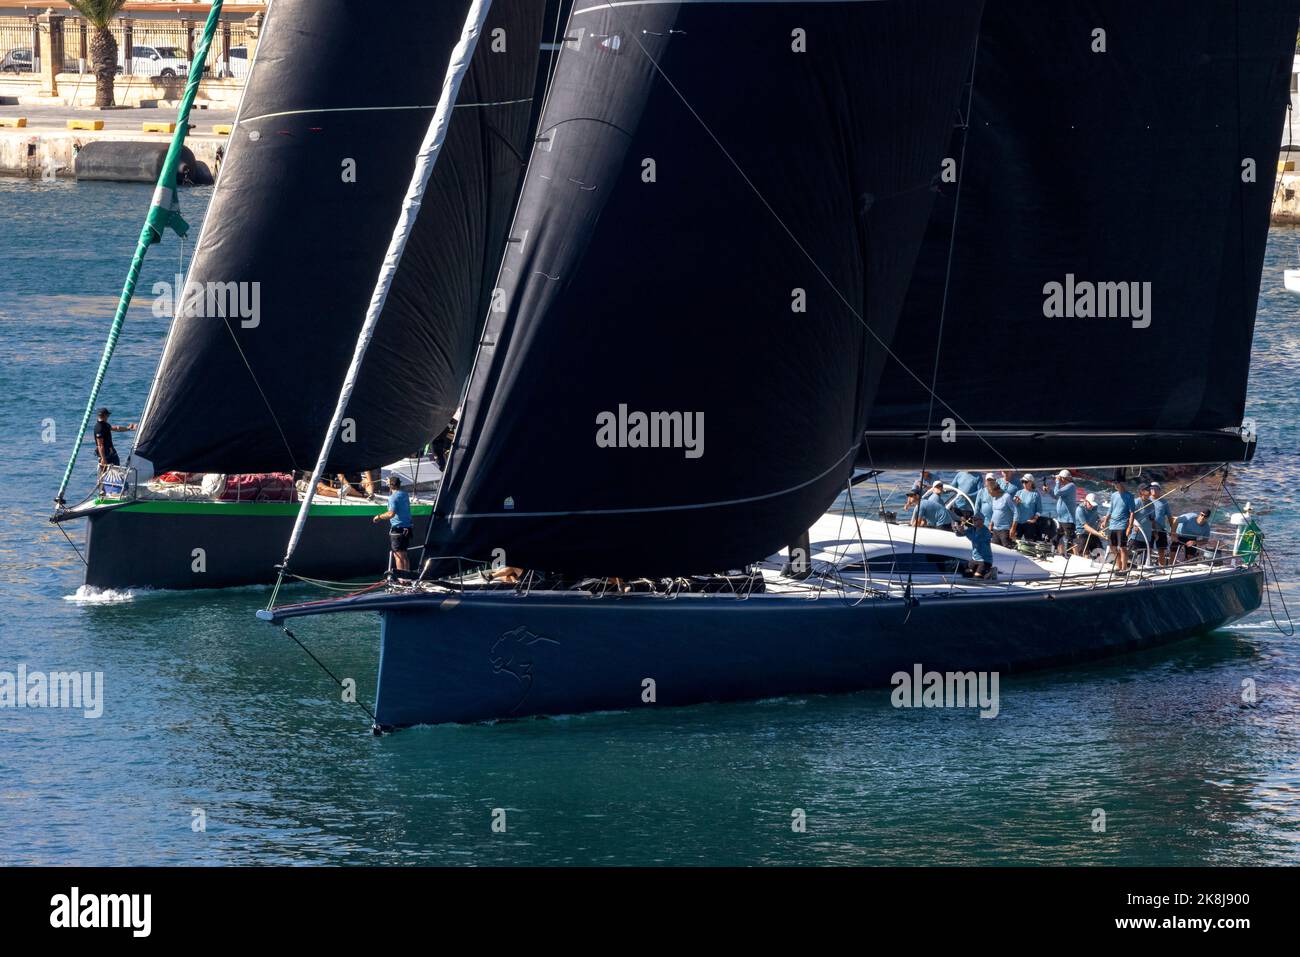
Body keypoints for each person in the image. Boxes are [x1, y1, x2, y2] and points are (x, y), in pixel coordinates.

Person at [372, 475, 414, 574]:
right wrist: (390, 483)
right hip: (407, 528)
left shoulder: (392, 498)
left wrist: (378, 517)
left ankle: (401, 579)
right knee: (404, 555)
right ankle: (407, 578)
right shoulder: (404, 494)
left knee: (398, 556)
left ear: (390, 486)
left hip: (398, 530)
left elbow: (391, 514)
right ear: (399, 484)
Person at [1103, 480, 1136, 571]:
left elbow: (1132, 512)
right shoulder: (1114, 495)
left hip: (1122, 525)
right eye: (1114, 484)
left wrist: (1130, 527)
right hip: (1112, 525)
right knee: (1112, 546)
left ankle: (1124, 568)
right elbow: (1110, 509)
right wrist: (1105, 520)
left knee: (1122, 547)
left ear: (1122, 484)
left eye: (1117, 483)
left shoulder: (1129, 496)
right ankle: (1118, 565)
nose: (1115, 485)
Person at [93, 407, 136, 475]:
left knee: (116, 471)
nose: (108, 417)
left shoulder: (105, 425)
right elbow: (100, 445)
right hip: (106, 455)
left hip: (111, 454)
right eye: (108, 415)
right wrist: (103, 458)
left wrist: (128, 428)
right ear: (105, 416)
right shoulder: (99, 428)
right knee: (107, 474)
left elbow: (116, 428)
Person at [1045, 470, 1078, 556]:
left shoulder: (1071, 486)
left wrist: (1057, 482)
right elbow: (1056, 496)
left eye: (1060, 479)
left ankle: (1077, 557)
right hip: (1061, 519)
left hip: (1068, 520)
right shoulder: (1065, 488)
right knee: (1057, 538)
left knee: (1071, 540)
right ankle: (1059, 554)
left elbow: (1057, 492)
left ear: (1063, 479)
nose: (1059, 480)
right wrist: (1049, 491)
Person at [955, 513, 996, 579]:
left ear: (982, 521)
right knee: (964, 573)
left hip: (985, 561)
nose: (973, 521)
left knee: (977, 578)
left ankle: (990, 572)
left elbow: (976, 540)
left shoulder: (986, 532)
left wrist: (963, 532)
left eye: (975, 519)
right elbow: (959, 534)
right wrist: (958, 530)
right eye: (973, 519)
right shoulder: (972, 529)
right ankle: (977, 571)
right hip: (974, 560)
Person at [1129, 484, 1157, 566]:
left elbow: (1152, 519)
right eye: (1147, 489)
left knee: (1143, 559)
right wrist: (1133, 525)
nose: (1149, 491)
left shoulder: (1151, 504)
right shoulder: (1136, 502)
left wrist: (1155, 532)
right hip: (1136, 535)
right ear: (1141, 491)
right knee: (1131, 555)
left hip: (1147, 536)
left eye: (1149, 489)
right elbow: (1129, 516)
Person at [986, 478, 1016, 549]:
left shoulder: (1006, 497)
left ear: (995, 490)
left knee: (1006, 550)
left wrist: (1013, 528)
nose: (989, 494)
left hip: (1005, 530)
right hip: (995, 530)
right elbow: (995, 512)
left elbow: (1016, 512)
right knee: (994, 550)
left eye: (990, 492)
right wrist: (991, 523)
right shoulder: (994, 498)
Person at [1074, 493, 1106, 557]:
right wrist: (1098, 534)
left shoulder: (1094, 507)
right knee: (1086, 555)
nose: (1092, 506)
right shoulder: (1080, 509)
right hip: (1082, 534)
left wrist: (1102, 521)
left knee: (1101, 554)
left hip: (1093, 534)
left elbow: (1097, 517)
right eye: (1090, 504)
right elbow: (1086, 526)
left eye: (1093, 504)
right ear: (1085, 501)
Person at [1012, 473, 1041, 542]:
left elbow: (1039, 510)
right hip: (1018, 522)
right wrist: (1015, 502)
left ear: (1031, 482)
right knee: (1015, 543)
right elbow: (1013, 506)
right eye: (1022, 481)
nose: (1024, 483)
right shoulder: (1019, 492)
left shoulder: (1036, 494)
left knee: (1029, 544)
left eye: (1025, 482)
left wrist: (1034, 519)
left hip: (1029, 523)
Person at [1148, 482, 1172, 566]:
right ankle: (1147, 566)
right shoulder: (1146, 500)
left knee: (1161, 550)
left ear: (1159, 490)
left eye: (1155, 488)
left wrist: (1172, 530)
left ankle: (1161, 568)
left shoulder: (1164, 502)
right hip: (1149, 529)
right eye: (1151, 488)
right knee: (1148, 549)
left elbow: (1169, 516)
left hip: (1161, 529)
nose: (1153, 489)